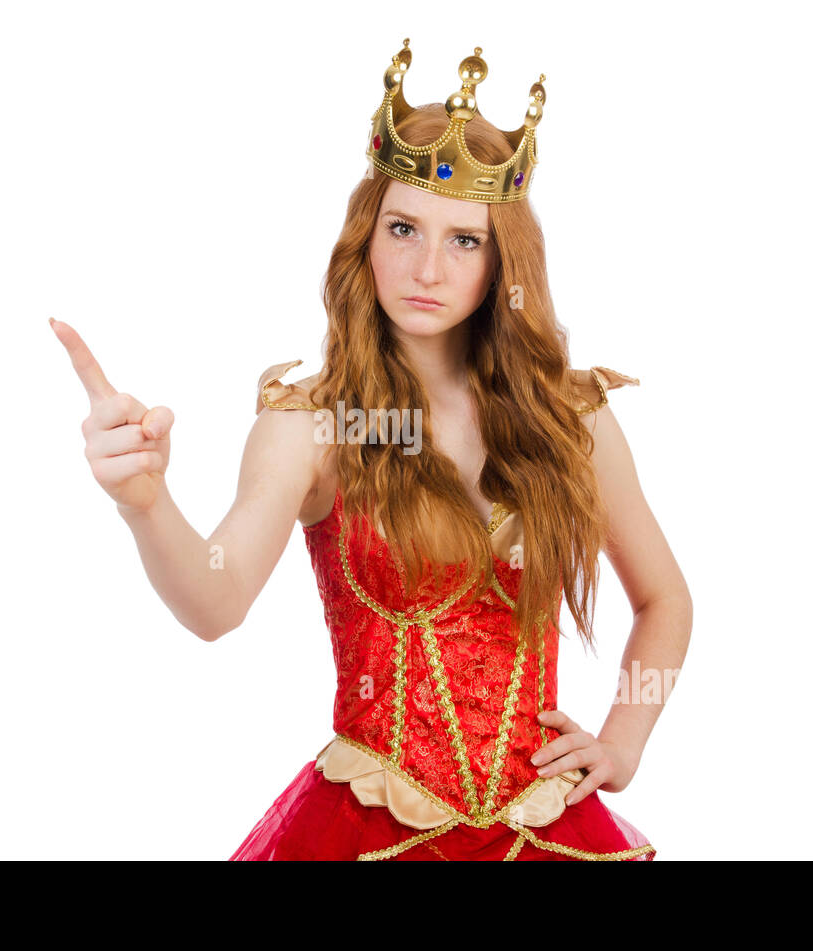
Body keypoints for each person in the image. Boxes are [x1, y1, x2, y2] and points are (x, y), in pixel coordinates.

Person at [50, 39, 692, 861]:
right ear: (367, 235)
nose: (427, 267)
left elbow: (665, 601)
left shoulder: (569, 420)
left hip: (547, 828)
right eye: (403, 228)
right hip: (362, 829)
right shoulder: (314, 425)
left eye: (465, 240)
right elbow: (215, 602)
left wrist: (624, 741)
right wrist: (145, 505)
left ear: (503, 261)